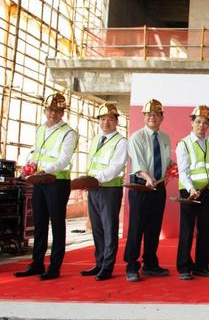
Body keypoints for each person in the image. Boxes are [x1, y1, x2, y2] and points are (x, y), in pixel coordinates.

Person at [15, 92, 78, 280]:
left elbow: (64, 159)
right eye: (50, 109)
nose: (53, 113)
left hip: (57, 181)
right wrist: (28, 167)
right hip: (39, 181)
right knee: (40, 224)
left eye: (57, 110)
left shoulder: (69, 133)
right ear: (45, 110)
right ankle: (37, 263)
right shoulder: (40, 129)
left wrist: (44, 170)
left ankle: (54, 267)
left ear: (63, 113)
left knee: (57, 224)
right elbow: (36, 152)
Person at [124, 99, 172, 282]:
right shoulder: (137, 137)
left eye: (156, 114)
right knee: (137, 227)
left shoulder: (165, 138)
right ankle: (132, 266)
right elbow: (138, 163)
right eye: (148, 114)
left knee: (154, 227)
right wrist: (147, 178)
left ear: (162, 117)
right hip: (141, 186)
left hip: (158, 186)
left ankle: (150, 264)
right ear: (144, 117)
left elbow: (165, 160)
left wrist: (171, 168)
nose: (152, 117)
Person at [81, 103, 128, 281]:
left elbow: (116, 167)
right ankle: (99, 262)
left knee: (109, 228)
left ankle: (107, 266)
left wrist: (95, 179)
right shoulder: (96, 140)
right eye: (102, 119)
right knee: (97, 228)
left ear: (116, 121)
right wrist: (89, 181)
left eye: (110, 119)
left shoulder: (121, 142)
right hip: (94, 188)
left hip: (110, 189)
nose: (105, 122)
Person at [175, 105, 209, 280]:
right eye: (198, 121)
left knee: (205, 230)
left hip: (207, 191)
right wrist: (191, 189)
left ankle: (202, 266)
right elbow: (183, 171)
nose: (202, 125)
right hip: (189, 192)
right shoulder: (184, 144)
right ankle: (184, 268)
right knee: (187, 230)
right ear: (192, 122)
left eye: (205, 122)